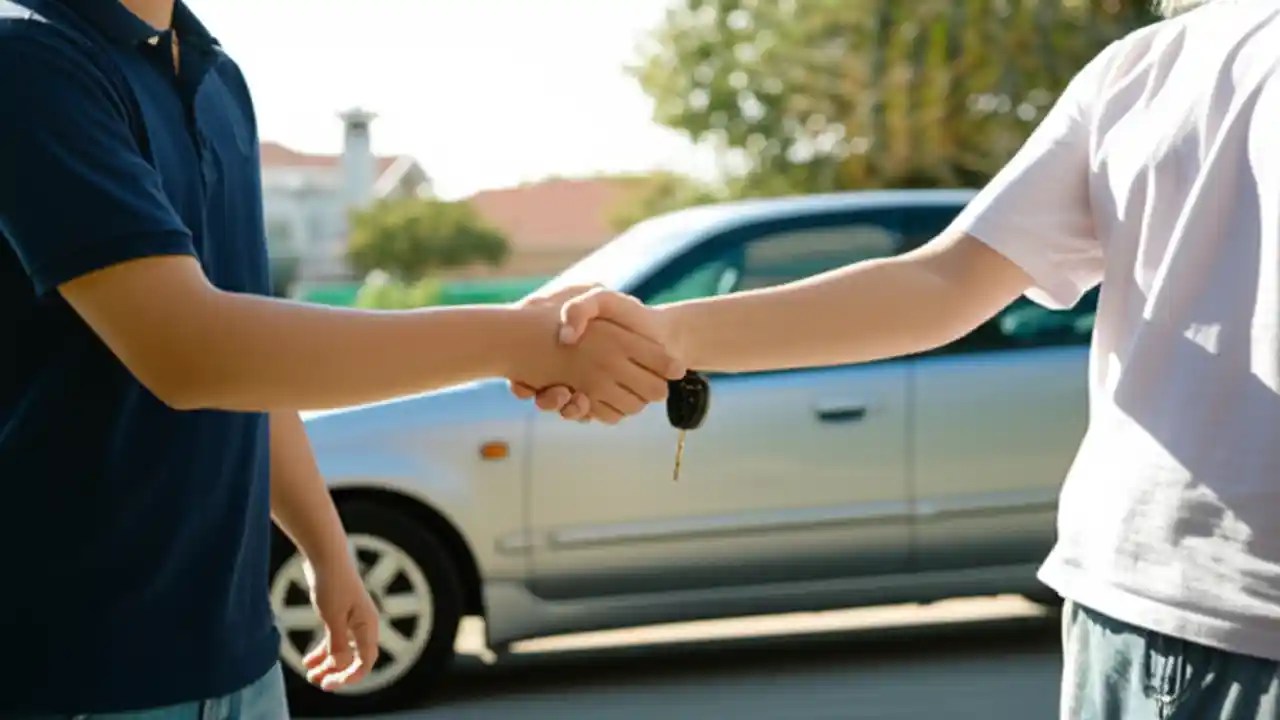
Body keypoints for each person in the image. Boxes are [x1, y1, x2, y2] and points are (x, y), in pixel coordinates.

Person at [517, 0, 1280, 717]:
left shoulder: (1148, 63)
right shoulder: (1146, 64)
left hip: (1137, 606)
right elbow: (942, 282)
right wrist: (665, 336)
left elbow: (941, 285)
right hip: (1138, 609)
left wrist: (664, 335)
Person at [0, 0, 682, 716]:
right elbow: (193, 352)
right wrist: (521, 340)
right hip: (73, 669)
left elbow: (253, 361)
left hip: (238, 660)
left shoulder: (212, 73)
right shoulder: (28, 59)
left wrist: (326, 548)